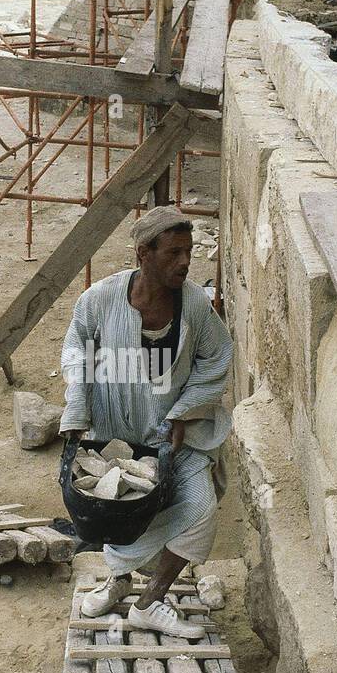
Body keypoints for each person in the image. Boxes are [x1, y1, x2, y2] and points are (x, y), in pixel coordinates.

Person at [60, 206, 233, 641]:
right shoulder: (98, 300)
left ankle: (151, 599)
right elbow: (77, 355)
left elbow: (217, 358)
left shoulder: (193, 303)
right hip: (115, 426)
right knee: (120, 507)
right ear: (144, 253)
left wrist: (185, 410)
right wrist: (77, 412)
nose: (185, 262)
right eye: (174, 252)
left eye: (189, 251)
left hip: (174, 434)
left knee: (200, 509)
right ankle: (117, 580)